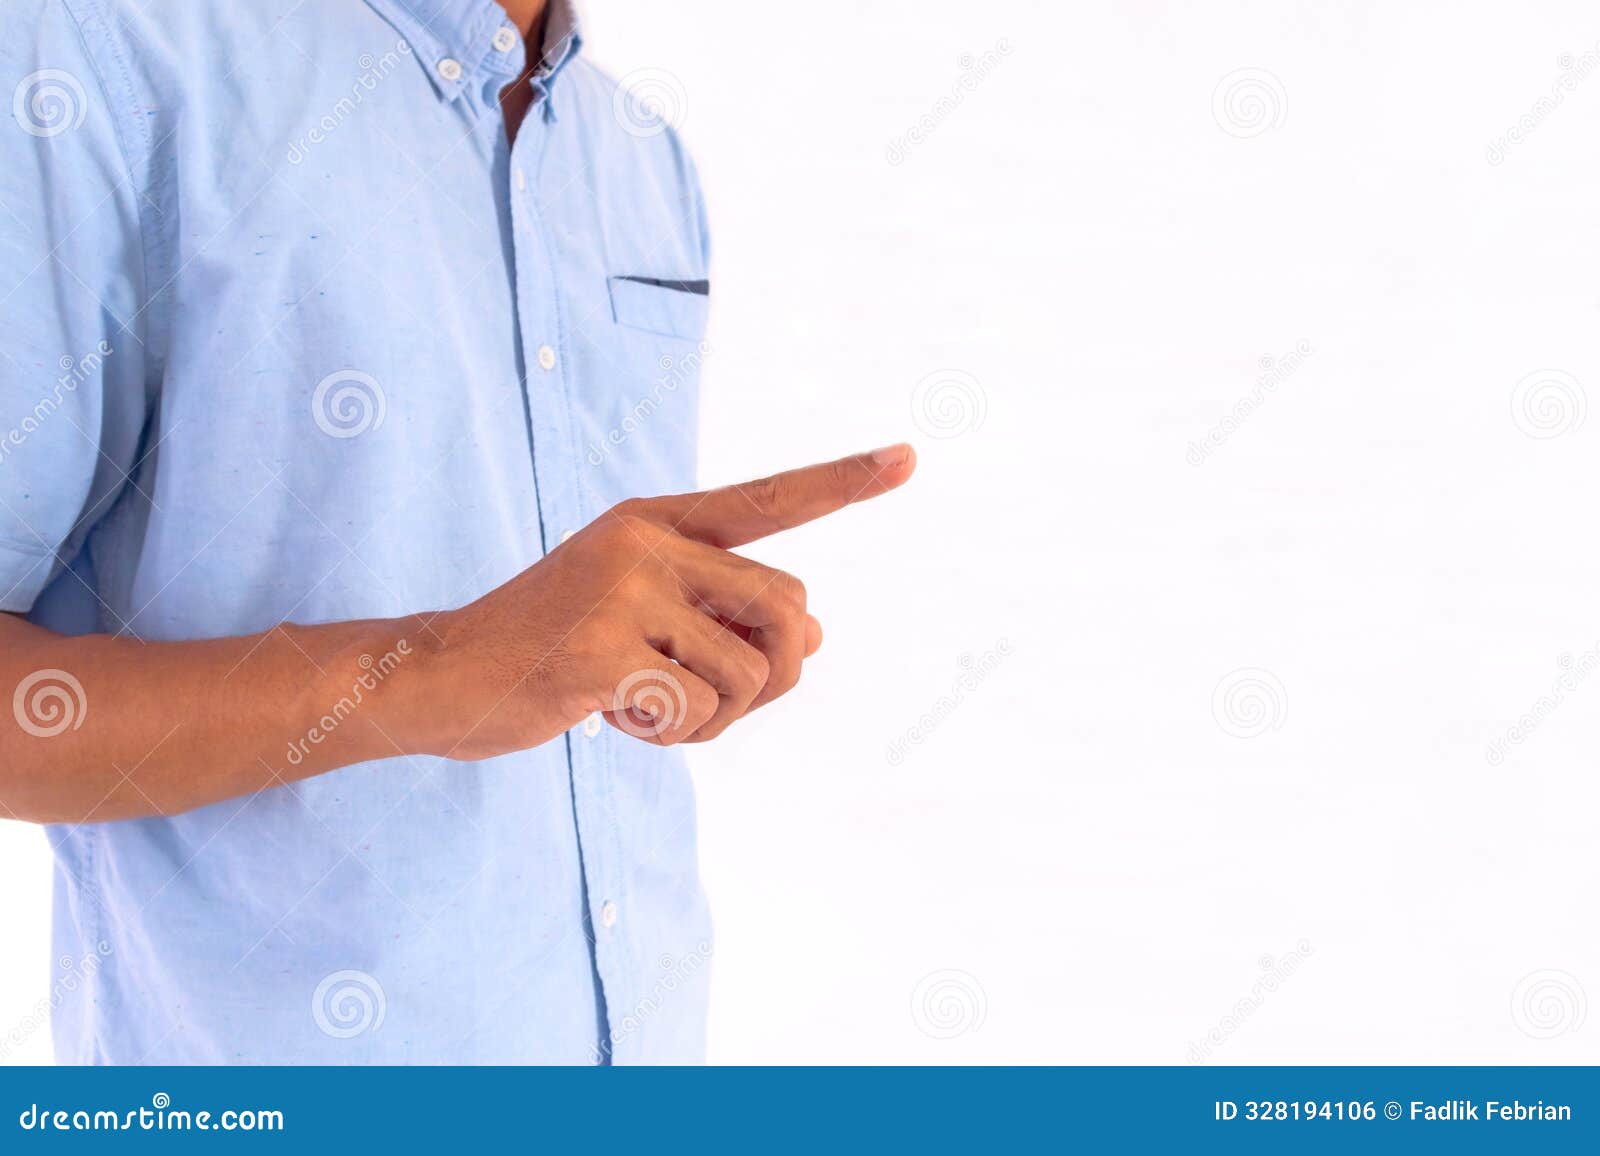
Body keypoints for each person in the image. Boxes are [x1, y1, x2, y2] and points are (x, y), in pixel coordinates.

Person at [0, 0, 914, 1064]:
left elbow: (577, 633)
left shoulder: (644, 158)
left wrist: (687, 651)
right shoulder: (96, 50)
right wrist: (426, 668)